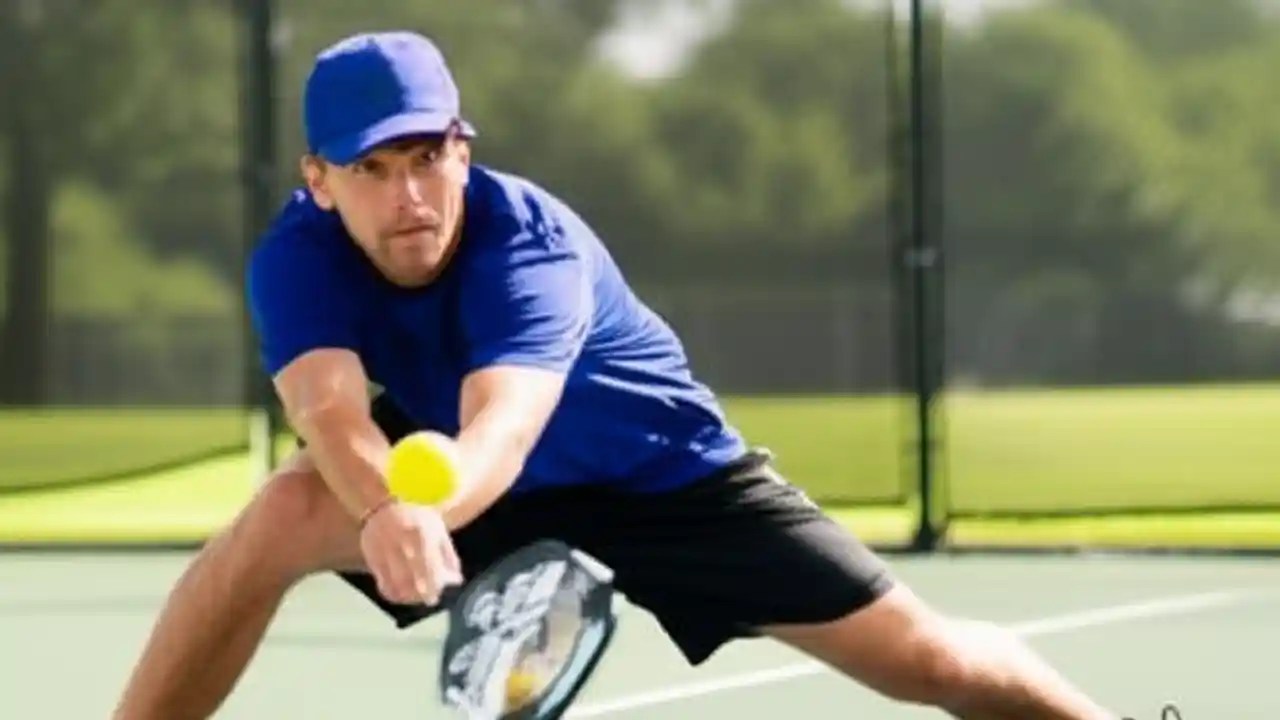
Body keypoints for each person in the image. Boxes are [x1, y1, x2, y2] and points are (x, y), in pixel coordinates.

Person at [112, 31, 1173, 720]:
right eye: (371, 170)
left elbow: (500, 430)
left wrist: (411, 508)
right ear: (317, 179)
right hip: (490, 501)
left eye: (427, 157)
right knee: (283, 512)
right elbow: (325, 405)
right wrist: (383, 502)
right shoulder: (294, 258)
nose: (409, 196)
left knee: (927, 663)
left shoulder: (531, 247)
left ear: (463, 153)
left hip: (668, 482)